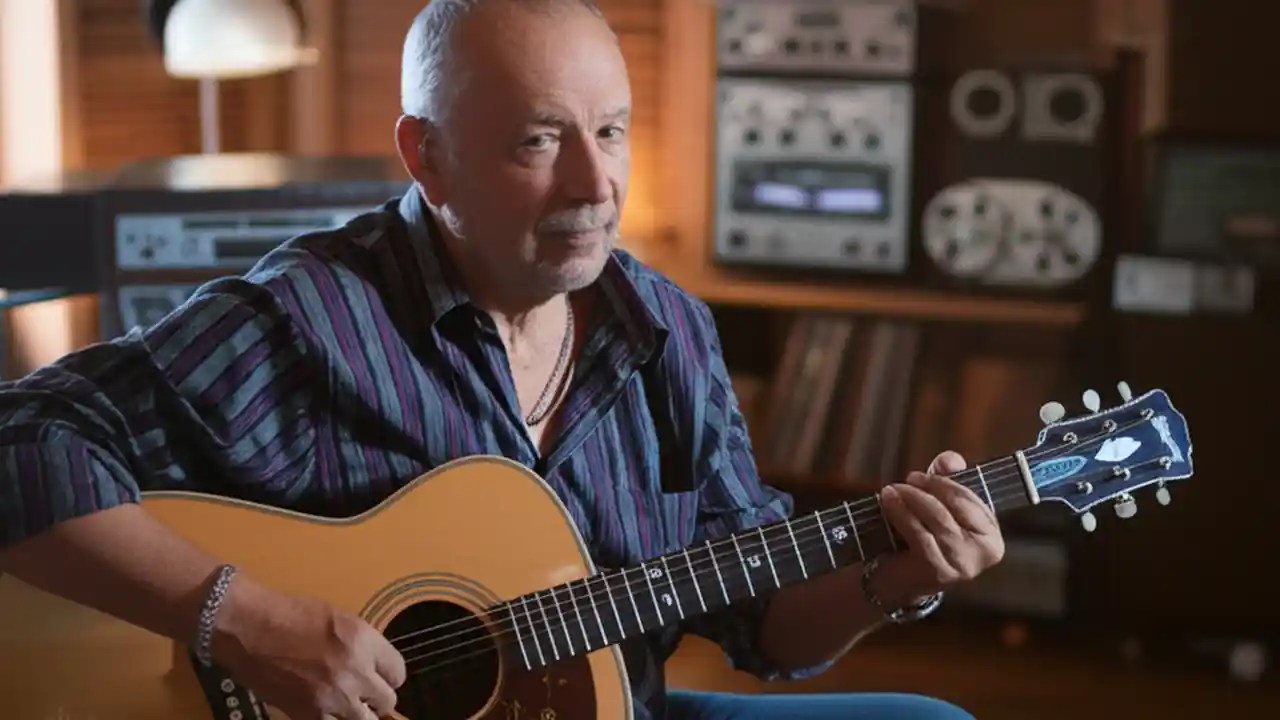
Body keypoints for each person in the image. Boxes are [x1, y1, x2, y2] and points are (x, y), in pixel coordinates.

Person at [0, 1, 1005, 718]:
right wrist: (244, 621)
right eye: (537, 140)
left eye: (610, 131)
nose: (594, 182)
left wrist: (892, 575)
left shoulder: (669, 336)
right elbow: (21, 442)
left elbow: (764, 627)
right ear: (426, 156)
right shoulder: (309, 320)